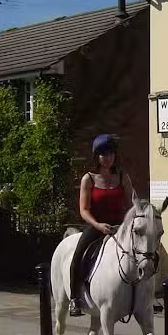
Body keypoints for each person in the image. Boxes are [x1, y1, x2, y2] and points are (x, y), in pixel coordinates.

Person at [68, 133, 135, 317]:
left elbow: (130, 205)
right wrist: (98, 225)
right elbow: (84, 210)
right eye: (104, 154)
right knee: (78, 257)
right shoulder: (88, 179)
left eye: (111, 153)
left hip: (120, 227)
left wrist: (128, 224)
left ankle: (144, 298)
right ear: (96, 156)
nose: (108, 158)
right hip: (97, 226)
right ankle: (75, 299)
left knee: (141, 253)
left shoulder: (123, 177)